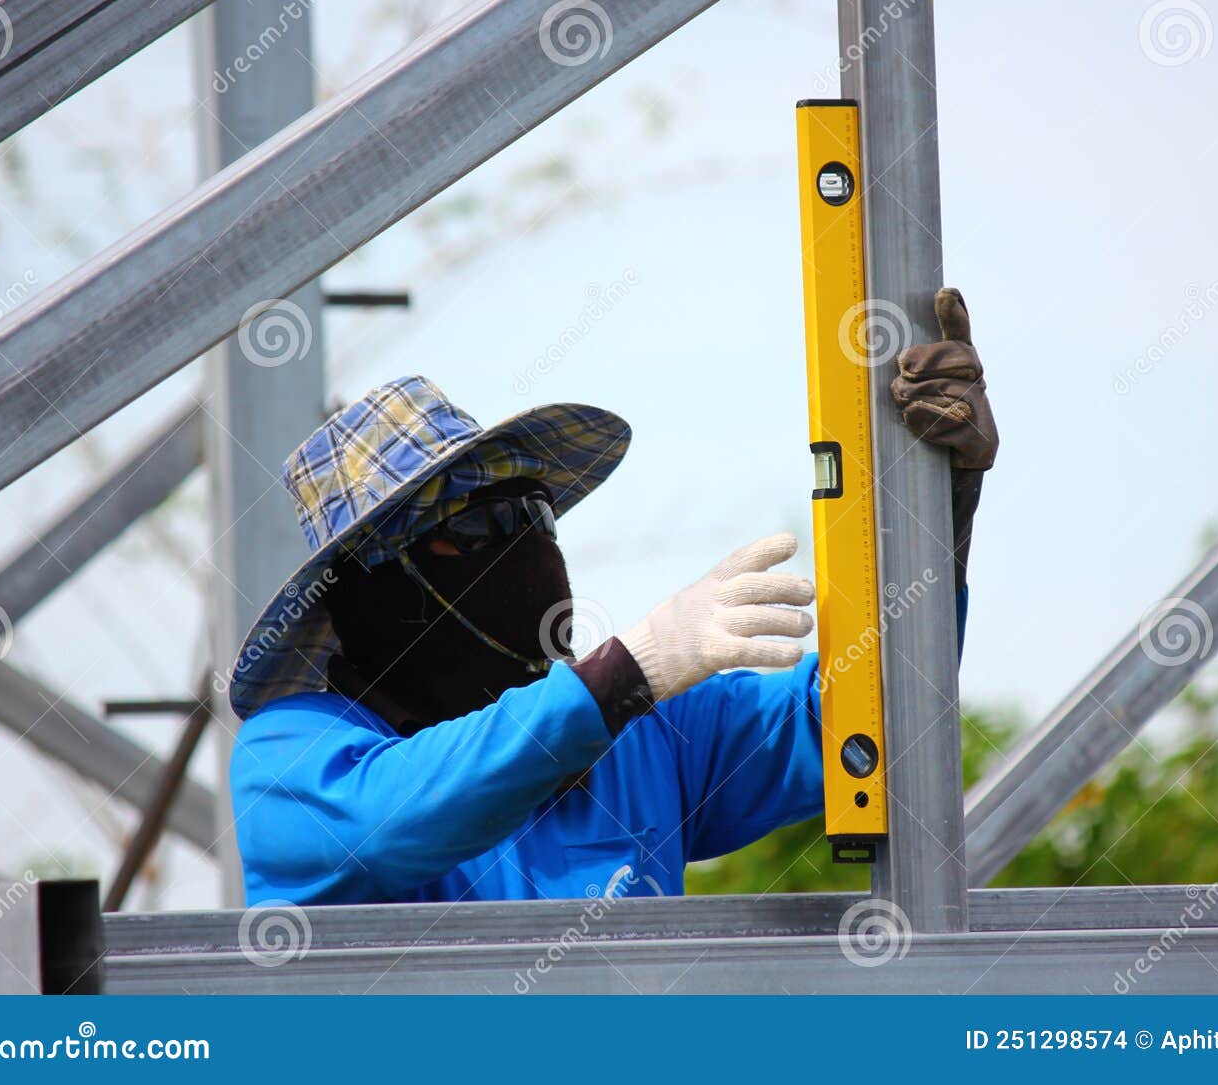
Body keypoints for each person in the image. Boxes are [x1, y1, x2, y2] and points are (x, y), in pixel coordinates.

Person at [227, 288, 997, 904]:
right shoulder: (289, 760)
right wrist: (630, 669)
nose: (525, 545)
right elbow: (391, 823)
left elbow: (853, 727)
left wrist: (935, 512)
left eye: (530, 513)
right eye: (483, 524)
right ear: (378, 587)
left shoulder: (644, 738)